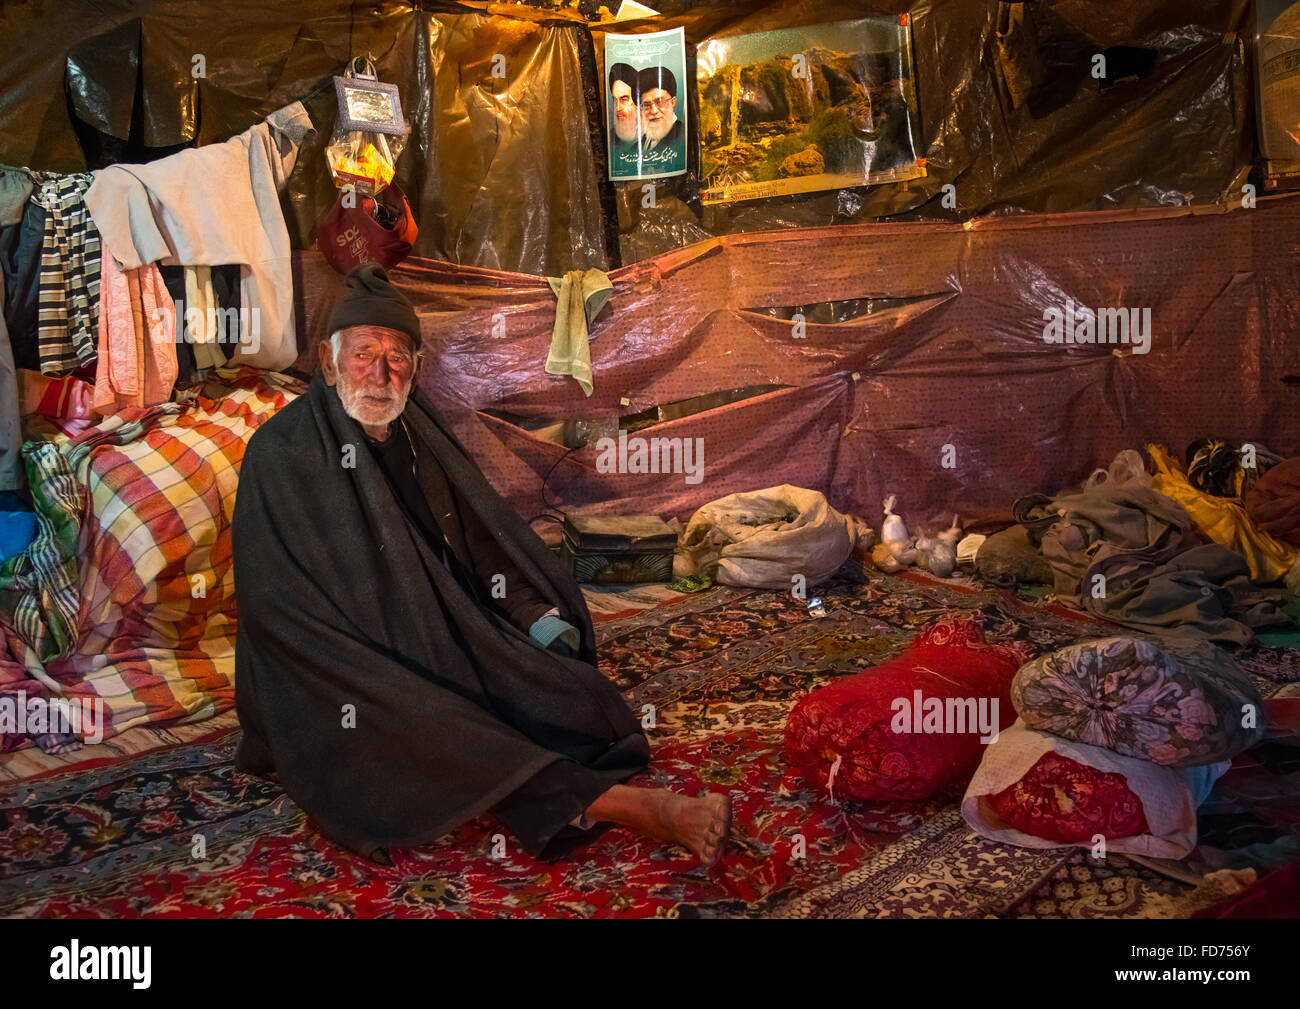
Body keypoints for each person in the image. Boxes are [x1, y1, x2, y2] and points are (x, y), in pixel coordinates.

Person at [232, 263, 731, 866]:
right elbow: (275, 610)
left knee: (567, 695)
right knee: (425, 720)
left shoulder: (420, 435)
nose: (382, 372)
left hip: (438, 632)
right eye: (364, 354)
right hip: (328, 666)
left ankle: (548, 755)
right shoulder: (280, 453)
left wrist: (531, 618)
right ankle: (623, 805)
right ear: (329, 361)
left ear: (415, 371)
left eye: (398, 357)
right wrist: (382, 670)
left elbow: (480, 547)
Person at [636, 65, 685, 174]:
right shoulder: (639, 144)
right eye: (646, 105)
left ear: (673, 102)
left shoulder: (684, 136)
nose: (653, 111)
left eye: (659, 102)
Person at [608, 62, 642, 172]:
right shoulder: (611, 138)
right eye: (615, 100)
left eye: (623, 99)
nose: (618, 108)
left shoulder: (659, 135)